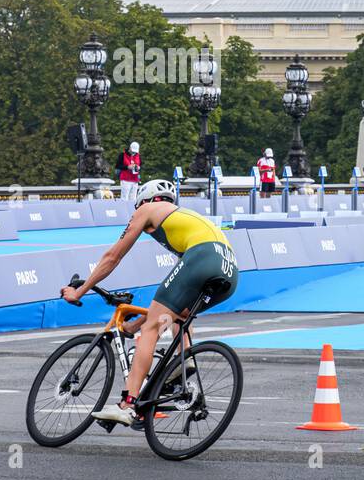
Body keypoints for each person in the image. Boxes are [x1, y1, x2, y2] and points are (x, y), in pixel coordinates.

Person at [62, 179, 238, 427]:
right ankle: (183, 363)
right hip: (230, 271)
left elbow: (113, 256)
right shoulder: (183, 218)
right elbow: (169, 306)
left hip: (203, 258)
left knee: (150, 331)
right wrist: (135, 325)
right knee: (179, 315)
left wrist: (80, 291)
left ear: (144, 201)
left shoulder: (147, 210)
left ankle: (128, 404)